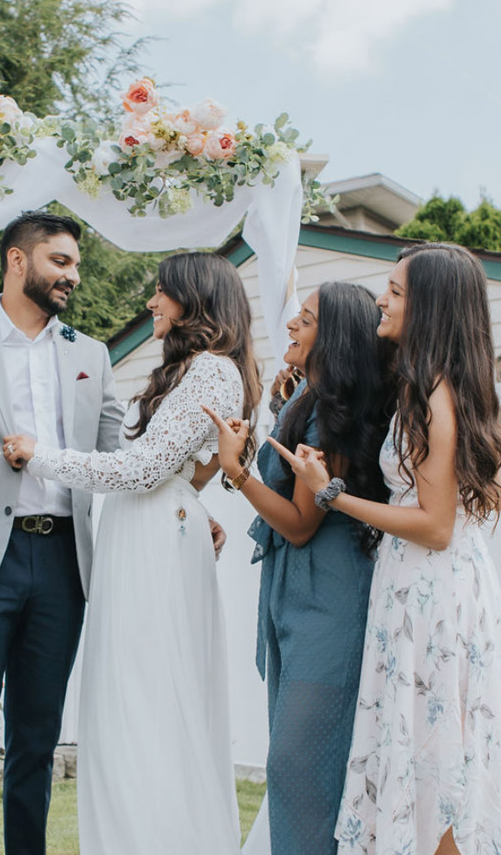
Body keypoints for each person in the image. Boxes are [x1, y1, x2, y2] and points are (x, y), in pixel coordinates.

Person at [3, 251, 261, 855]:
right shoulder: (189, 370)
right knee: (130, 703)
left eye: (163, 292)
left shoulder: (214, 371)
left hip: (154, 547)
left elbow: (145, 471)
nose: (152, 302)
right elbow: (177, 470)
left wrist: (39, 455)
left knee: (147, 706)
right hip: (143, 538)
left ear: (195, 299)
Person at [272, 243, 501, 855]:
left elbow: (435, 525)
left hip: (429, 594)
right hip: (441, 586)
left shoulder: (432, 397)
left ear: (428, 307)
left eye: (396, 292)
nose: (381, 299)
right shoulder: (454, 387)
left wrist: (332, 494)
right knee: (440, 761)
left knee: (433, 768)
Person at [0, 211, 124, 854]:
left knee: (37, 737)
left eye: (75, 266)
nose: (72, 277)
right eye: (59, 262)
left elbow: (117, 454)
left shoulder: (91, 354)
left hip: (65, 561)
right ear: (17, 261)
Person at [203, 282, 393, 855]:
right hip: (295, 593)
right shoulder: (309, 400)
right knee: (295, 760)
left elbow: (301, 522)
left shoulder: (336, 412)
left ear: (332, 339)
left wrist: (237, 472)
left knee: (297, 763)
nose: (291, 325)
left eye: (305, 320)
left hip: (330, 598)